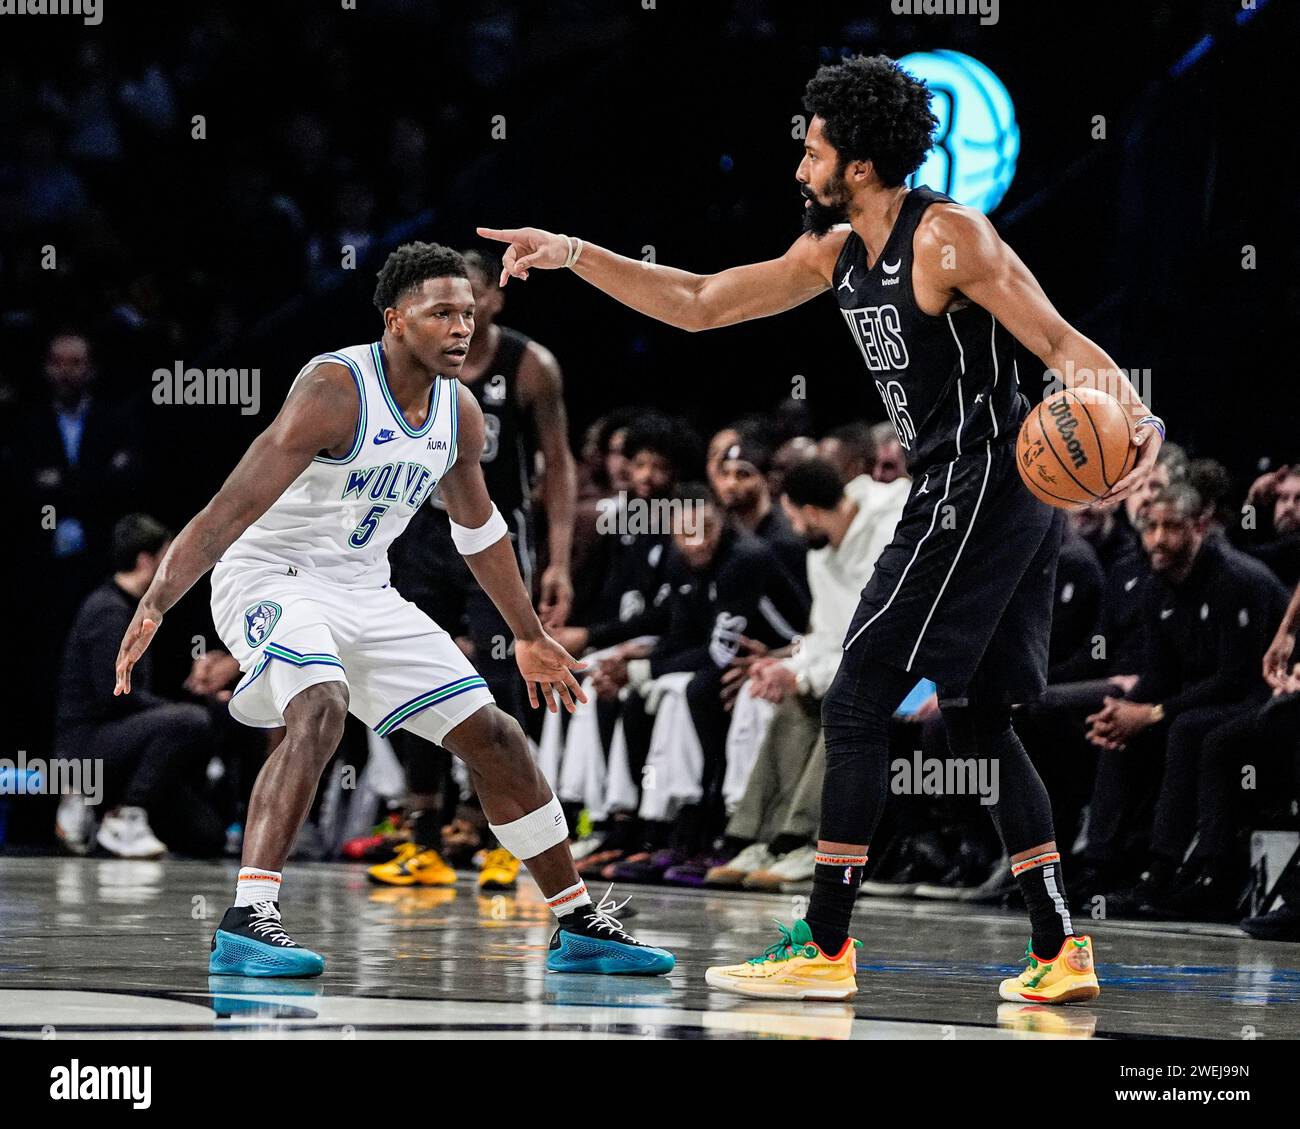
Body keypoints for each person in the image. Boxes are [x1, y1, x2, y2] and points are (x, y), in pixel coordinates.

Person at [478, 53, 1163, 1003]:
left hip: (981, 482)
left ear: (860, 161)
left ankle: (827, 941)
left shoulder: (949, 237)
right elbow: (698, 303)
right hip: (978, 495)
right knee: (978, 715)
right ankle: (1058, 945)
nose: (800, 166)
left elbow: (1056, 340)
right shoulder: (833, 253)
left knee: (857, 694)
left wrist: (1134, 413)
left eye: (813, 150)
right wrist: (572, 252)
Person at [113, 242, 673, 979]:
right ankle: (249, 916)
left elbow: (481, 533)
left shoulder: (460, 412)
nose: (461, 328)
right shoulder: (333, 387)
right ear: (395, 321)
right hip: (270, 576)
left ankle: (576, 922)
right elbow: (230, 508)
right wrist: (157, 600)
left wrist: (529, 635)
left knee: (499, 738)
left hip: (366, 589)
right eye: (442, 313)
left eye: (468, 314)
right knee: (319, 702)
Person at [55, 514, 224, 859]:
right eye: (166, 556)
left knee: (206, 835)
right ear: (146, 559)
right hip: (86, 744)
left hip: (122, 740)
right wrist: (183, 711)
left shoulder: (136, 610)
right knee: (188, 720)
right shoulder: (108, 610)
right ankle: (122, 817)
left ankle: (112, 810)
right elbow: (114, 697)